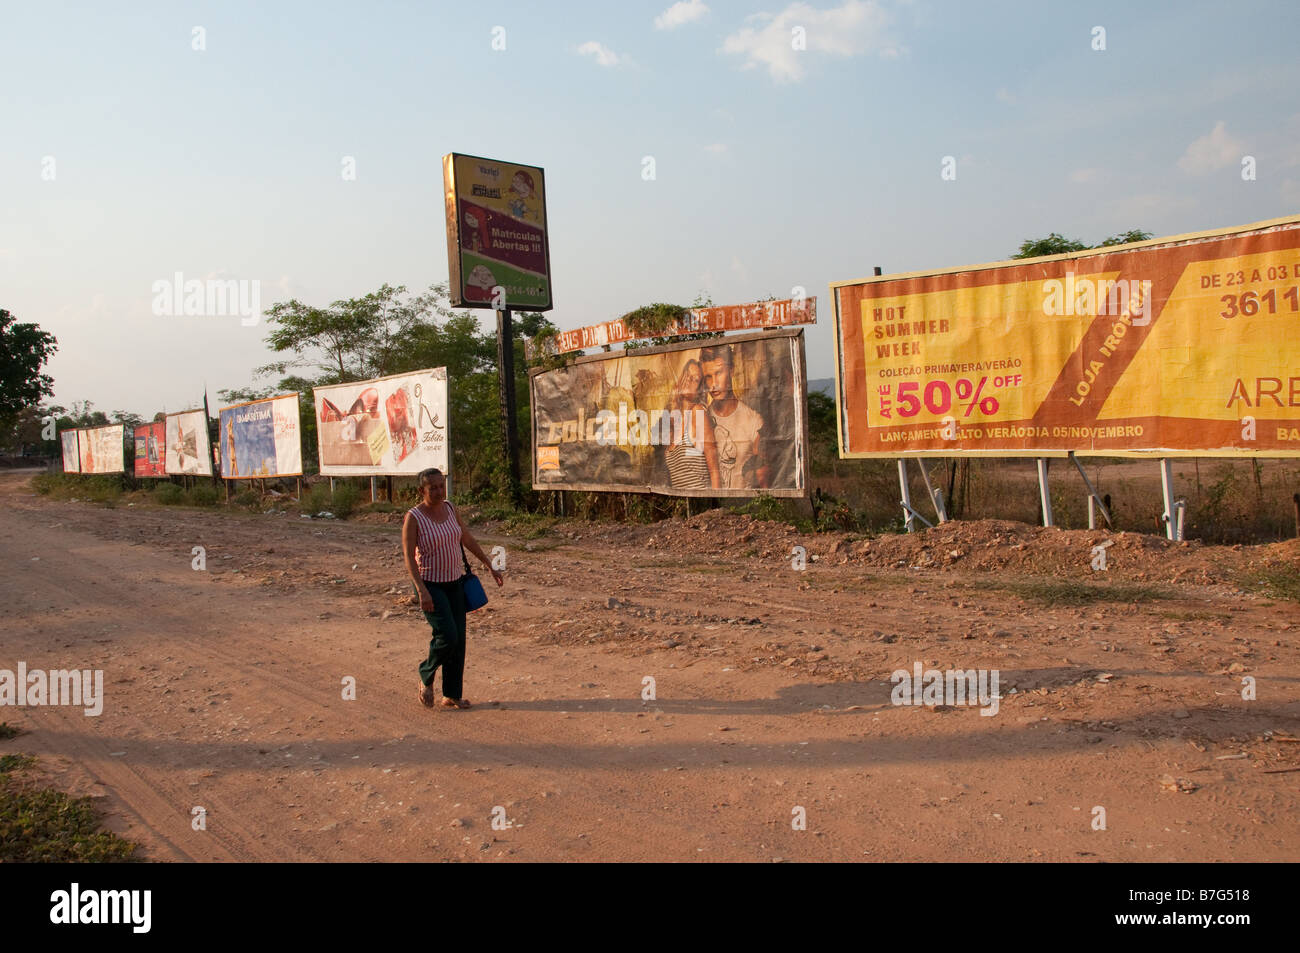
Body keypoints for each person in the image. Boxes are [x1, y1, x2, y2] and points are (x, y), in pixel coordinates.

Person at [402, 468, 504, 711]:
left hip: (454, 582)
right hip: (430, 585)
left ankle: (452, 694)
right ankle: (426, 674)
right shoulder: (414, 518)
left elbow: (465, 538)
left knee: (458, 640)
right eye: (432, 487)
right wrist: (421, 591)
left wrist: (489, 564)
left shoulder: (449, 508)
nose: (438, 491)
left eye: (441, 485)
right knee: (447, 635)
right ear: (422, 491)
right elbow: (408, 557)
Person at [699, 343, 770, 489]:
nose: (713, 384)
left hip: (743, 507)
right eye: (708, 377)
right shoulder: (701, 418)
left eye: (719, 373)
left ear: (731, 371)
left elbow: (764, 478)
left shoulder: (753, 421)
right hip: (710, 506)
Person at [664, 358, 719, 490]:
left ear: (699, 389)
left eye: (695, 379)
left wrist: (718, 508)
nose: (689, 380)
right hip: (681, 505)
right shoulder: (674, 420)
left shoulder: (698, 413)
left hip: (701, 503)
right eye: (687, 375)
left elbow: (714, 472)